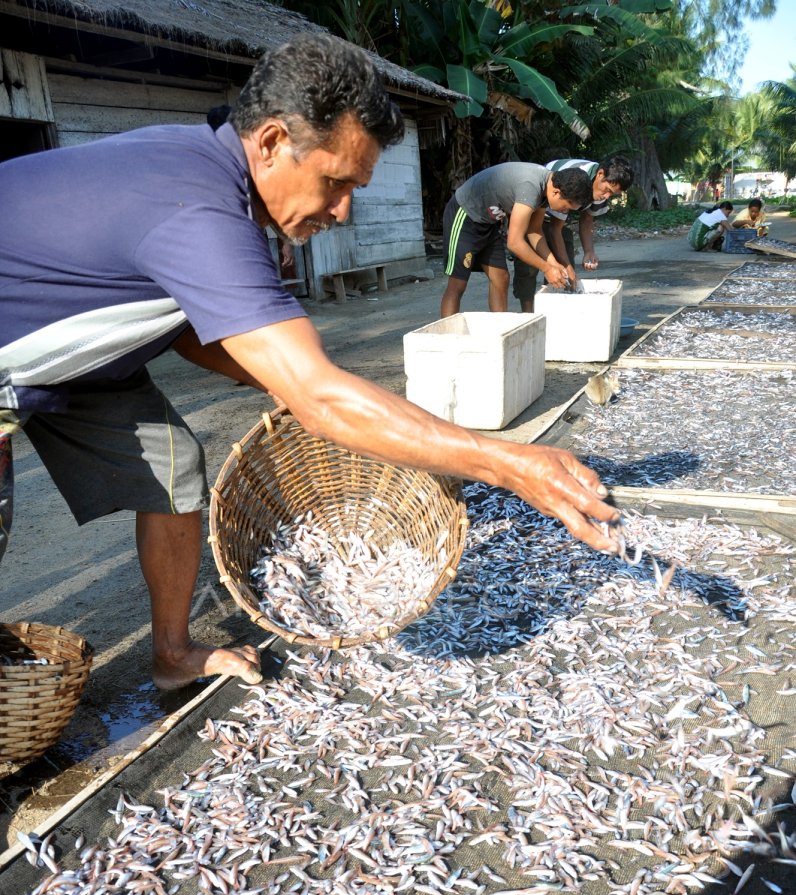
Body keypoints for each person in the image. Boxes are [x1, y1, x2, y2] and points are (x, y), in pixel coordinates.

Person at [0, 34, 620, 691]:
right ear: (270, 142)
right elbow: (320, 396)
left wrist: (274, 377)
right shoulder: (196, 206)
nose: (343, 209)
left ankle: (172, 654)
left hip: (85, 360)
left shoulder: (214, 183)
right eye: (335, 181)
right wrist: (509, 463)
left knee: (173, 465)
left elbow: (185, 324)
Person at [439, 162, 593, 317]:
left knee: (501, 278)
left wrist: (555, 264)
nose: (564, 211)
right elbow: (514, 243)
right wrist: (546, 268)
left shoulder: (548, 186)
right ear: (557, 193)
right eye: (566, 206)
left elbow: (534, 231)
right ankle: (446, 337)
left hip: (488, 222)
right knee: (457, 284)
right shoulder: (530, 187)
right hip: (465, 214)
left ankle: (500, 331)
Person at [512, 154, 634, 313]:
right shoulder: (576, 180)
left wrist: (589, 251)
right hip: (535, 210)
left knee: (565, 273)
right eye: (607, 191)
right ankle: (527, 315)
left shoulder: (602, 187)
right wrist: (563, 266)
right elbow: (554, 229)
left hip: (559, 217)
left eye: (612, 194)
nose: (606, 196)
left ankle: (555, 316)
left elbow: (587, 219)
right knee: (529, 266)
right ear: (600, 175)